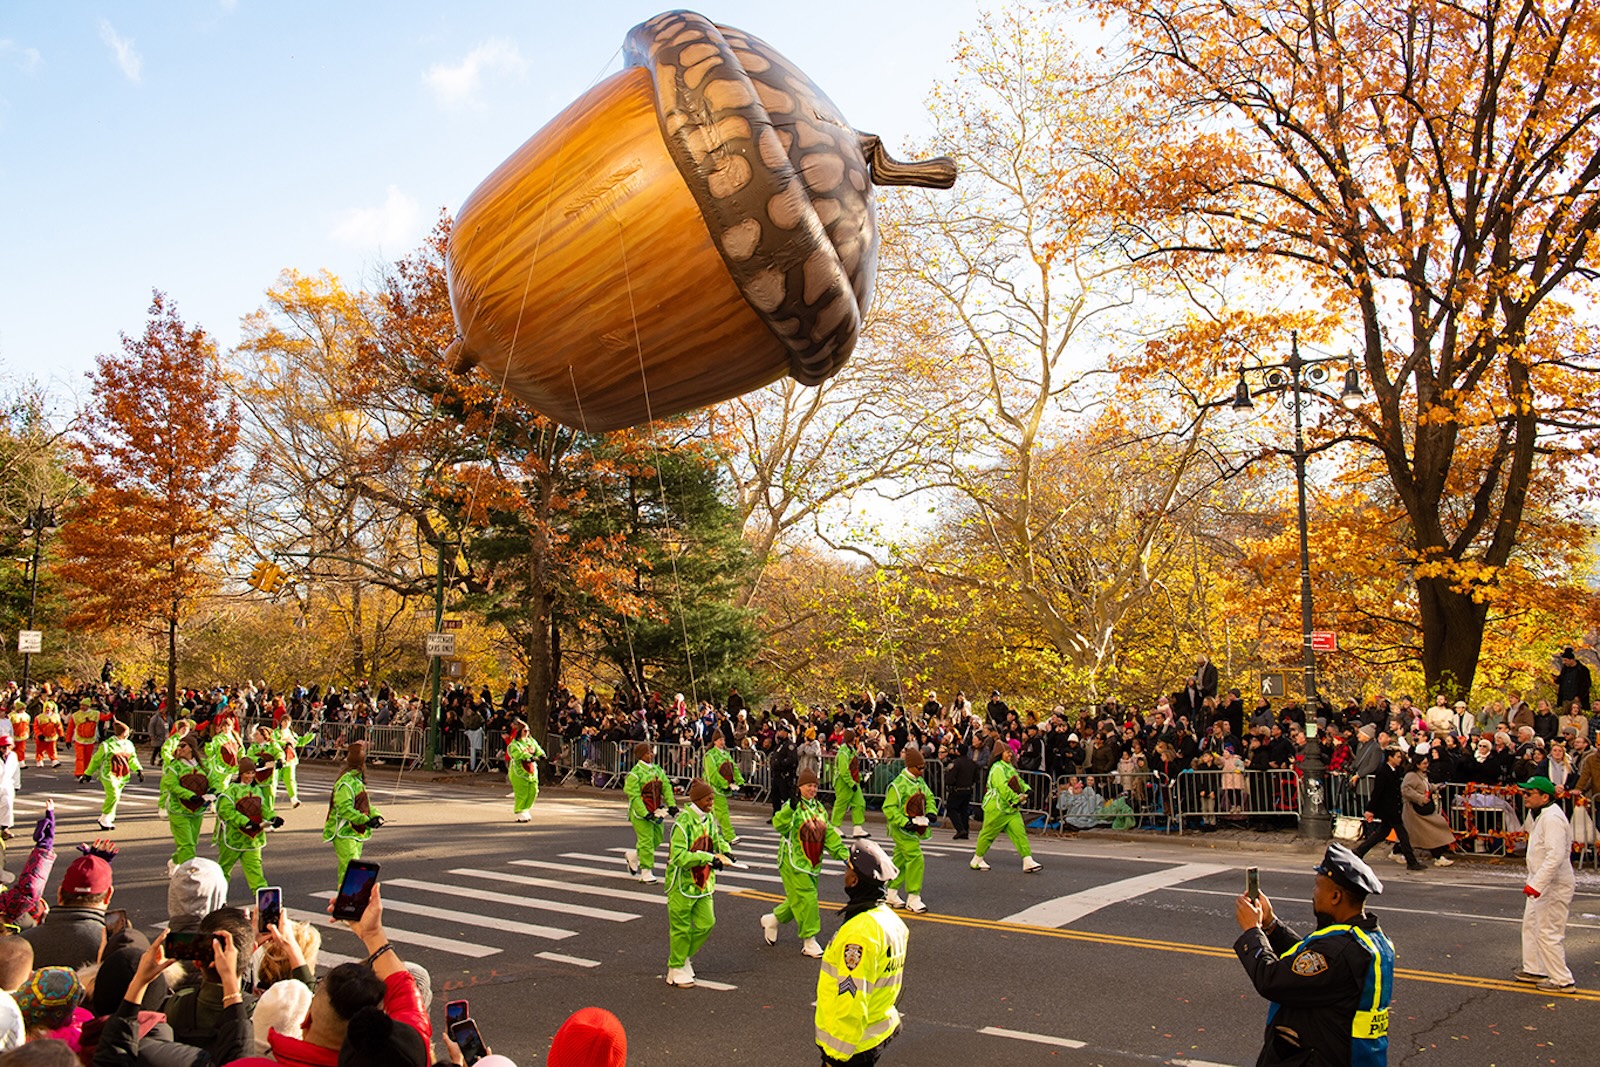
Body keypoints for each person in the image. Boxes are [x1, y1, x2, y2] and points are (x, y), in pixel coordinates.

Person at [1233, 843, 1395, 1067]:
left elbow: (1272, 979)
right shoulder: (1368, 939)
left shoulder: (1337, 952)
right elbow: (1311, 966)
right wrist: (1271, 925)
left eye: (1318, 886)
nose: (1314, 894)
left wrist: (1252, 932)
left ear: (1335, 896)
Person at [814, 837, 908, 1066]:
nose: (844, 874)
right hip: (876, 1030)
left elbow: (851, 996)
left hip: (854, 1045)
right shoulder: (891, 921)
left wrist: (835, 1055)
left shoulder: (859, 934)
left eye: (848, 869)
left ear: (854, 881)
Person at [762, 768, 850, 958]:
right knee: (808, 898)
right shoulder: (793, 807)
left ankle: (773, 919)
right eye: (809, 785)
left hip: (812, 862)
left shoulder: (818, 809)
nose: (812, 789)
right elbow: (780, 824)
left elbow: (829, 835)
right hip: (793, 861)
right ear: (800, 787)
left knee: (799, 899)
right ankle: (809, 940)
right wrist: (790, 808)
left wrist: (844, 855)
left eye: (815, 786)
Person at [664, 779, 733, 988]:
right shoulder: (683, 823)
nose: (712, 801)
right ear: (697, 800)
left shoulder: (709, 818)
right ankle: (674, 967)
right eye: (708, 798)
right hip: (682, 885)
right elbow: (678, 856)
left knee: (707, 923)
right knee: (681, 929)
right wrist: (707, 858)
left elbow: (716, 839)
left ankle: (683, 956)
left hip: (703, 883)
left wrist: (726, 851)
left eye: (712, 798)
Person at [1513, 775, 1577, 993]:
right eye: (1525, 793)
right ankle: (1535, 968)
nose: (1525, 797)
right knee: (1531, 925)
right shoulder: (1543, 815)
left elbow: (1556, 855)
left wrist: (1537, 884)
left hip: (1552, 884)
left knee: (1548, 931)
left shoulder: (1552, 819)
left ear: (1544, 796)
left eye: (1529, 794)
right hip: (1541, 882)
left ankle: (1562, 979)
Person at [969, 742, 1042, 874]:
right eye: (1007, 752)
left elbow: (1018, 781)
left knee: (1020, 834)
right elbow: (1002, 787)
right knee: (988, 834)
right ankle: (977, 858)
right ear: (999, 754)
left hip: (1010, 808)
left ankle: (1027, 860)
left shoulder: (1009, 767)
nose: (1010, 754)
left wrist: (1027, 789)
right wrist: (1016, 798)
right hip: (997, 807)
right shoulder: (997, 768)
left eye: (1011, 752)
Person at [880, 747, 936, 913]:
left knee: (901, 859)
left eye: (923, 767)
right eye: (919, 767)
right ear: (910, 766)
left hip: (915, 827)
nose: (922, 770)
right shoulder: (898, 785)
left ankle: (890, 892)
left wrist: (932, 811)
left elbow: (930, 797)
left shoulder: (919, 781)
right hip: (902, 829)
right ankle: (913, 896)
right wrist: (904, 822)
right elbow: (889, 808)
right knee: (915, 857)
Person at [1351, 747, 1424, 872]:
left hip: (1393, 808)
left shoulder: (1395, 770)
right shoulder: (1383, 772)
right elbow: (1377, 792)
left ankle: (1359, 851)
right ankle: (1411, 861)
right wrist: (1370, 809)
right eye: (1397, 757)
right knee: (1403, 835)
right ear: (1390, 758)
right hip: (1388, 809)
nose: (1400, 759)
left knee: (1382, 833)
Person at [214, 756, 281, 892]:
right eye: (247, 773)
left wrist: (273, 818)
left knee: (256, 873)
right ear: (240, 774)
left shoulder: (256, 789)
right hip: (233, 838)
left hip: (252, 839)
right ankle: (217, 900)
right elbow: (226, 811)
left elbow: (263, 808)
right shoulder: (231, 791)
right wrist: (246, 822)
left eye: (252, 773)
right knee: (223, 870)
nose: (250, 776)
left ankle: (265, 906)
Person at [324, 741, 385, 888]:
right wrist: (365, 820)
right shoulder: (346, 782)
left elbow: (366, 804)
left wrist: (376, 816)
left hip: (355, 832)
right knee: (349, 869)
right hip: (344, 831)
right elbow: (344, 809)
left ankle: (349, 898)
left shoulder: (356, 780)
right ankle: (345, 900)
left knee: (352, 868)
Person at [623, 741, 676, 884]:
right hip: (640, 814)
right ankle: (646, 871)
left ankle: (634, 856)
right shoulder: (635, 774)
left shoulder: (657, 770)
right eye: (647, 753)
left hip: (657, 810)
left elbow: (666, 787)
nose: (651, 755)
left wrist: (671, 805)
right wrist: (644, 813)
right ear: (641, 756)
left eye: (651, 752)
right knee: (646, 841)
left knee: (657, 838)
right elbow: (634, 796)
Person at [161, 735, 212, 874]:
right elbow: (171, 785)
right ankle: (188, 875)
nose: (179, 748)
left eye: (183, 745)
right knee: (187, 844)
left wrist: (214, 791)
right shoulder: (174, 766)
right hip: (178, 810)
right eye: (179, 745)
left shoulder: (205, 765)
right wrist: (190, 796)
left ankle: (175, 861)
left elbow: (215, 780)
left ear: (191, 748)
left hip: (198, 810)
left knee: (192, 843)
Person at [81, 722, 141, 831]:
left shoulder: (129, 744)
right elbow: (96, 760)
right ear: (122, 733)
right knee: (113, 795)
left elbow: (132, 759)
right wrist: (88, 773)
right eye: (127, 732)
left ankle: (109, 818)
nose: (128, 734)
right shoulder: (106, 745)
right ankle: (104, 817)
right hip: (109, 774)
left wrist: (138, 770)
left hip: (122, 774)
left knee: (116, 796)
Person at [703, 732, 746, 844]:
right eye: (719, 740)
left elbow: (733, 769)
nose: (722, 742)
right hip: (713, 789)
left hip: (722, 788)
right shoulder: (710, 755)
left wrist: (740, 780)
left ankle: (708, 834)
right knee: (722, 812)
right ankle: (729, 836)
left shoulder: (726, 755)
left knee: (711, 814)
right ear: (714, 741)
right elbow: (712, 774)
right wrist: (726, 784)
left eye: (723, 740)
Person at [831, 729, 869, 839]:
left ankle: (857, 827)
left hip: (852, 782)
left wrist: (859, 778)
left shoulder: (850, 750)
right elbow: (844, 771)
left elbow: (853, 768)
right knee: (841, 804)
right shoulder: (843, 752)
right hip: (843, 783)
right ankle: (835, 826)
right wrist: (851, 782)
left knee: (859, 803)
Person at [506, 721, 544, 823]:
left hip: (531, 771)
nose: (527, 732)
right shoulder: (514, 744)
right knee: (521, 793)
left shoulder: (530, 741)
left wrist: (541, 754)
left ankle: (526, 809)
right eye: (525, 730)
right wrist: (528, 757)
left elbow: (537, 748)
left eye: (528, 730)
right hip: (519, 772)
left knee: (533, 791)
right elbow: (517, 755)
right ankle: (520, 810)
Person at [944, 743, 975, 840]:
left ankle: (960, 829)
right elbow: (976, 777)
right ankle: (965, 830)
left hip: (957, 790)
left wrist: (949, 783)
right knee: (963, 810)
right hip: (968, 789)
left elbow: (950, 778)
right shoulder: (972, 763)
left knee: (951, 808)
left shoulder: (956, 763)